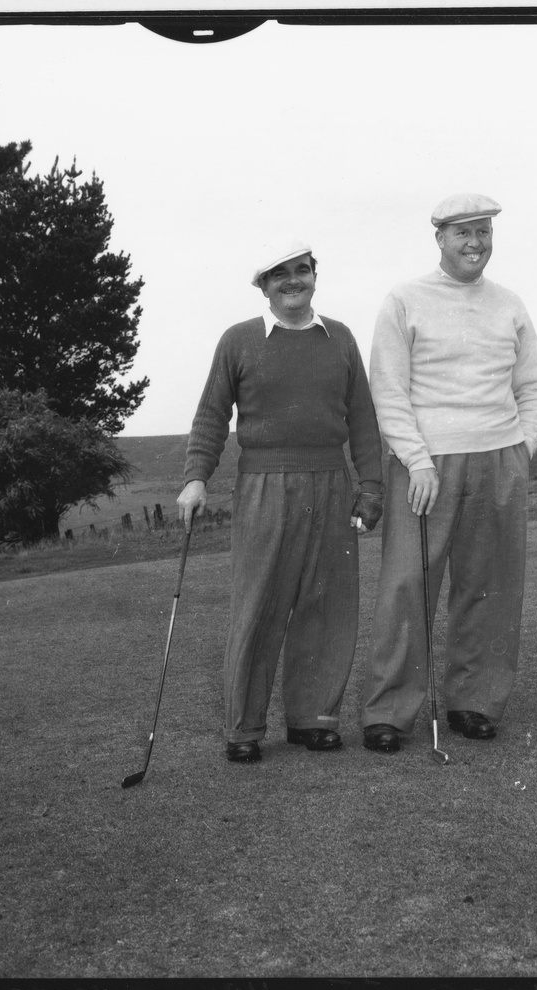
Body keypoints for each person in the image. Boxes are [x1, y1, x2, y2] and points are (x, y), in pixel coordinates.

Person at [177, 240, 384, 763]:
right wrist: (196, 478)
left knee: (326, 604)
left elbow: (362, 418)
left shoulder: (341, 338)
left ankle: (313, 720)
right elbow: (211, 415)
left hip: (331, 482)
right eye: (279, 274)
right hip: (264, 484)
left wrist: (371, 487)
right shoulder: (239, 340)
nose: (293, 280)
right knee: (258, 605)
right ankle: (244, 728)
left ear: (315, 275)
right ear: (263, 286)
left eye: (302, 270)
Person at [361, 193, 537, 753]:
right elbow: (387, 388)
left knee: (490, 587)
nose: (475, 243)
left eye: (483, 231)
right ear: (439, 238)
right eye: (463, 232)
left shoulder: (509, 304)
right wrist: (416, 458)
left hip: (500, 457)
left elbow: (532, 386)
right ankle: (389, 712)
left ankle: (475, 701)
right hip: (426, 465)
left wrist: (522, 448)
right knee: (407, 586)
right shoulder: (405, 299)